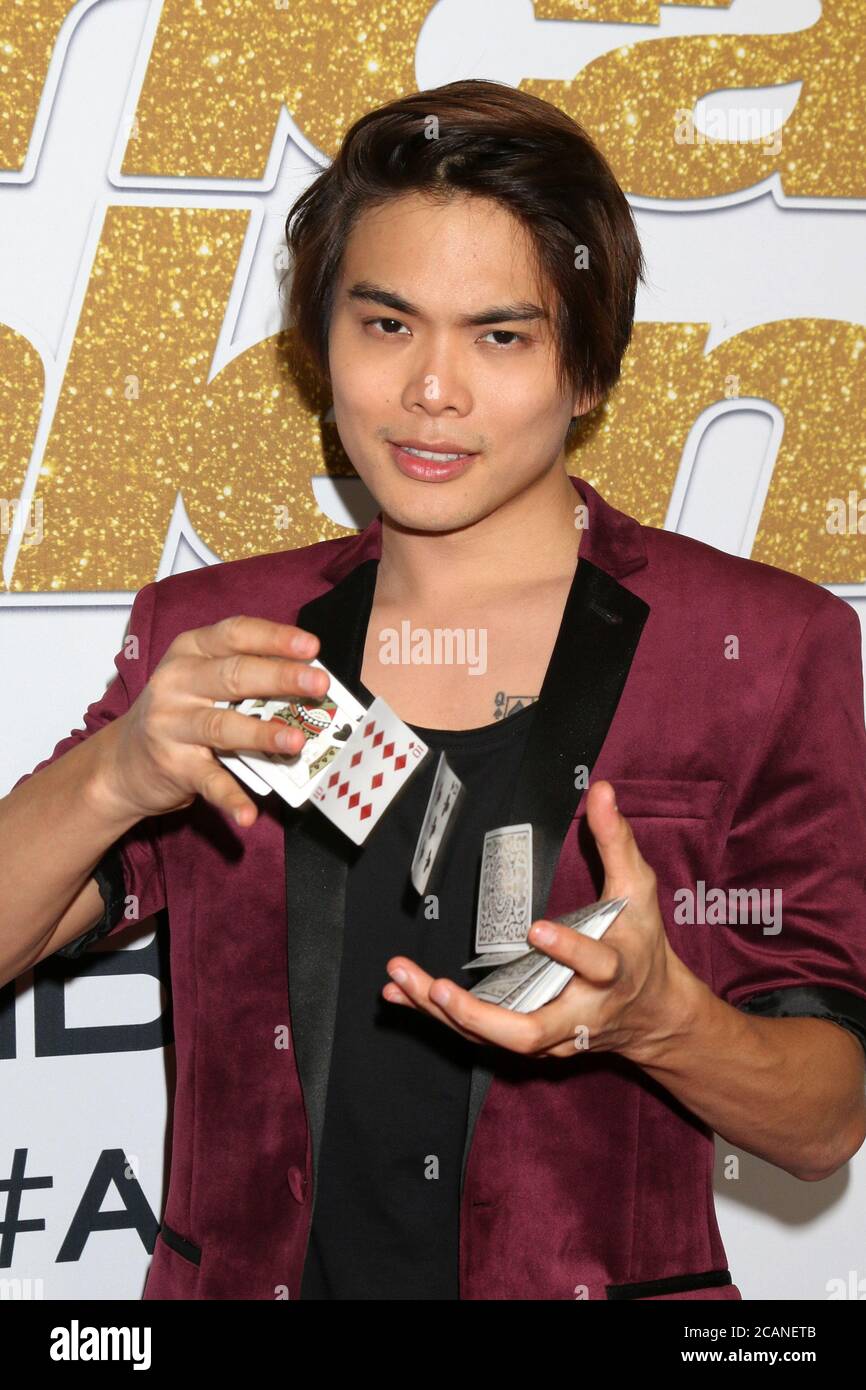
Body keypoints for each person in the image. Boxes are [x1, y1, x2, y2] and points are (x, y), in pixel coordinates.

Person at [2, 78, 866, 1302]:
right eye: (387, 324)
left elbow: (823, 1115)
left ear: (586, 372)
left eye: (500, 335)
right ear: (322, 346)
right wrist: (114, 772)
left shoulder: (762, 646)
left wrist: (660, 1019)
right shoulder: (212, 635)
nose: (432, 392)